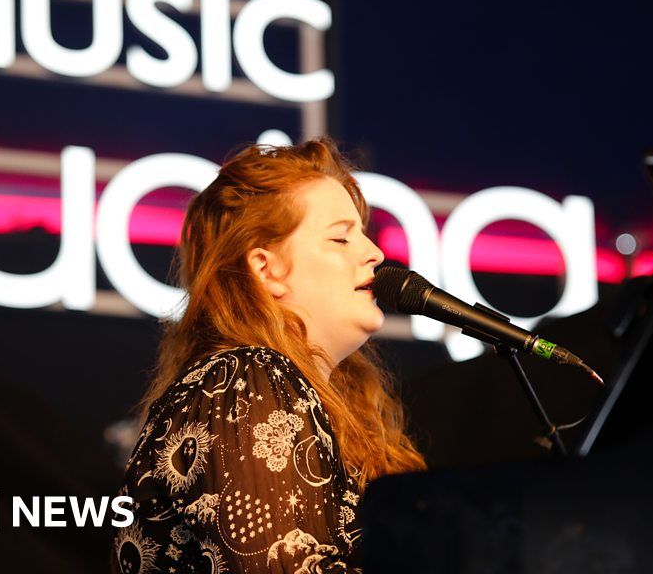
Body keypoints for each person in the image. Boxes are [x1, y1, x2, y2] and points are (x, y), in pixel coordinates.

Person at [112, 138, 426, 574]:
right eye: (340, 237)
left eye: (365, 233)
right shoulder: (246, 381)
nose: (374, 252)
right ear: (266, 269)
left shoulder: (283, 392)